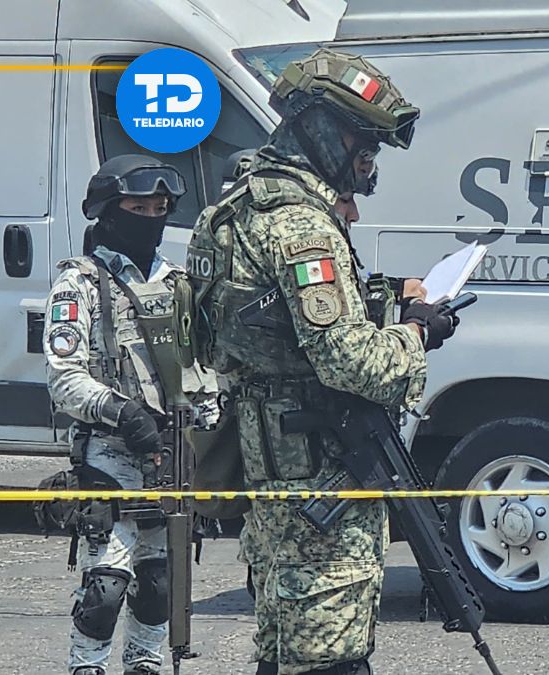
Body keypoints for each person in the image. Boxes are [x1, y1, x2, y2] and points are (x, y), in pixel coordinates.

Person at [187, 48, 456, 675]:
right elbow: (351, 362)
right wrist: (419, 332)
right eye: (363, 139)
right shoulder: (301, 225)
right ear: (314, 126)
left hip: (276, 476)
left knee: (284, 658)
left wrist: (385, 297)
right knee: (332, 662)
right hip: (319, 483)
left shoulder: (238, 207)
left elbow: (264, 324)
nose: (370, 156)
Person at [46, 154, 218, 675]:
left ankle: (144, 664)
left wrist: (210, 428)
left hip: (173, 452)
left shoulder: (178, 284)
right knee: (107, 585)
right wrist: (122, 413)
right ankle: (87, 666)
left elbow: (202, 365)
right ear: (108, 211)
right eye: (138, 206)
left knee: (160, 583)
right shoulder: (80, 283)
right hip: (111, 452)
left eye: (160, 207)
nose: (151, 216)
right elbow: (64, 378)